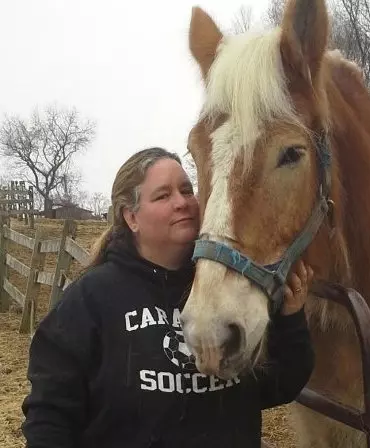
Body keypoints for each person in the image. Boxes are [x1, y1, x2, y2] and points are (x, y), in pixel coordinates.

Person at [21, 147, 315, 448]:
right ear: (131, 217)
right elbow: (50, 415)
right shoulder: (91, 298)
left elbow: (277, 387)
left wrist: (291, 319)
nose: (182, 203)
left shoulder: (222, 292)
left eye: (187, 190)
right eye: (163, 195)